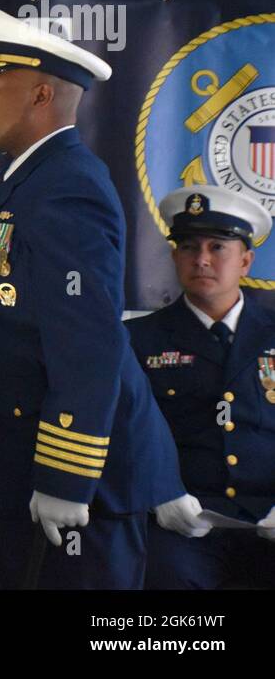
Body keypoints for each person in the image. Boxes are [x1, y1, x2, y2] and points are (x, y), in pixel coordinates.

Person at [0, 7, 184, 588]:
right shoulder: (32, 177)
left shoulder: (69, 187)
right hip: (25, 462)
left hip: (74, 477)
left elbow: (88, 344)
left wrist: (65, 476)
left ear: (40, 95)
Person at [126, 185, 275, 587]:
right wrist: (158, 495)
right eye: (190, 247)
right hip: (180, 523)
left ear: (245, 261)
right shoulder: (135, 341)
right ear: (175, 257)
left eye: (218, 247)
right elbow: (118, 436)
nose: (202, 259)